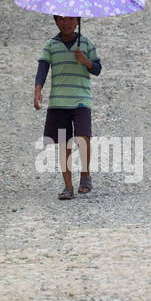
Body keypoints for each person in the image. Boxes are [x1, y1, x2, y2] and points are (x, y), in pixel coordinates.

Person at [33, 14, 101, 199]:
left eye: (71, 19)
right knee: (65, 144)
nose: (66, 23)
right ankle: (68, 186)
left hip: (81, 100)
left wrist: (85, 61)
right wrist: (38, 90)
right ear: (55, 21)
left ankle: (85, 175)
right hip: (58, 102)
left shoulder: (86, 43)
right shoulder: (50, 45)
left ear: (78, 21)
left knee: (83, 137)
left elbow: (97, 68)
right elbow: (42, 69)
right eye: (61, 19)